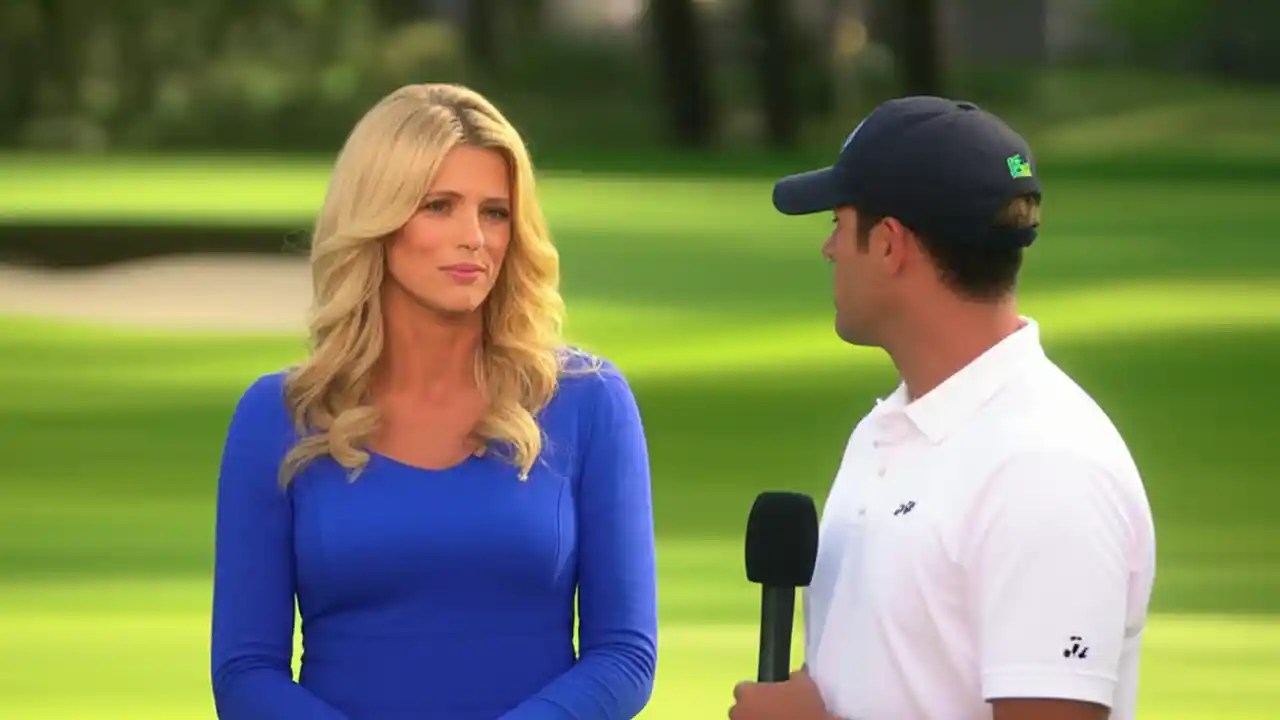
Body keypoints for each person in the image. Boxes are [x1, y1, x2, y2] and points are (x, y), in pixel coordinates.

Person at [209, 83, 658, 719]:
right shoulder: (278, 416)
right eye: (440, 206)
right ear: (378, 219)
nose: (474, 237)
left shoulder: (590, 402)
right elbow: (245, 671)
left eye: (495, 212)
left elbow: (625, 655)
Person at [728, 96, 1156, 720]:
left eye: (838, 224)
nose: (827, 250)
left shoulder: (1046, 467)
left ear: (890, 245)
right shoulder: (889, 431)